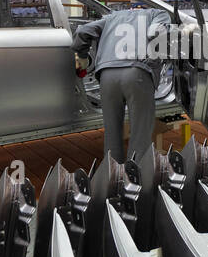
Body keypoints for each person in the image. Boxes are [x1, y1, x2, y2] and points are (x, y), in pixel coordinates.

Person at [73, 9, 198, 162]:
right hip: (137, 74)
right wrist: (184, 31)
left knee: (112, 132)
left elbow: (83, 31)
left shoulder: (113, 17)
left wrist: (82, 56)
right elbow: (156, 32)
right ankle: (136, 178)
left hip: (106, 75)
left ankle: (112, 175)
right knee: (140, 133)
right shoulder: (158, 14)